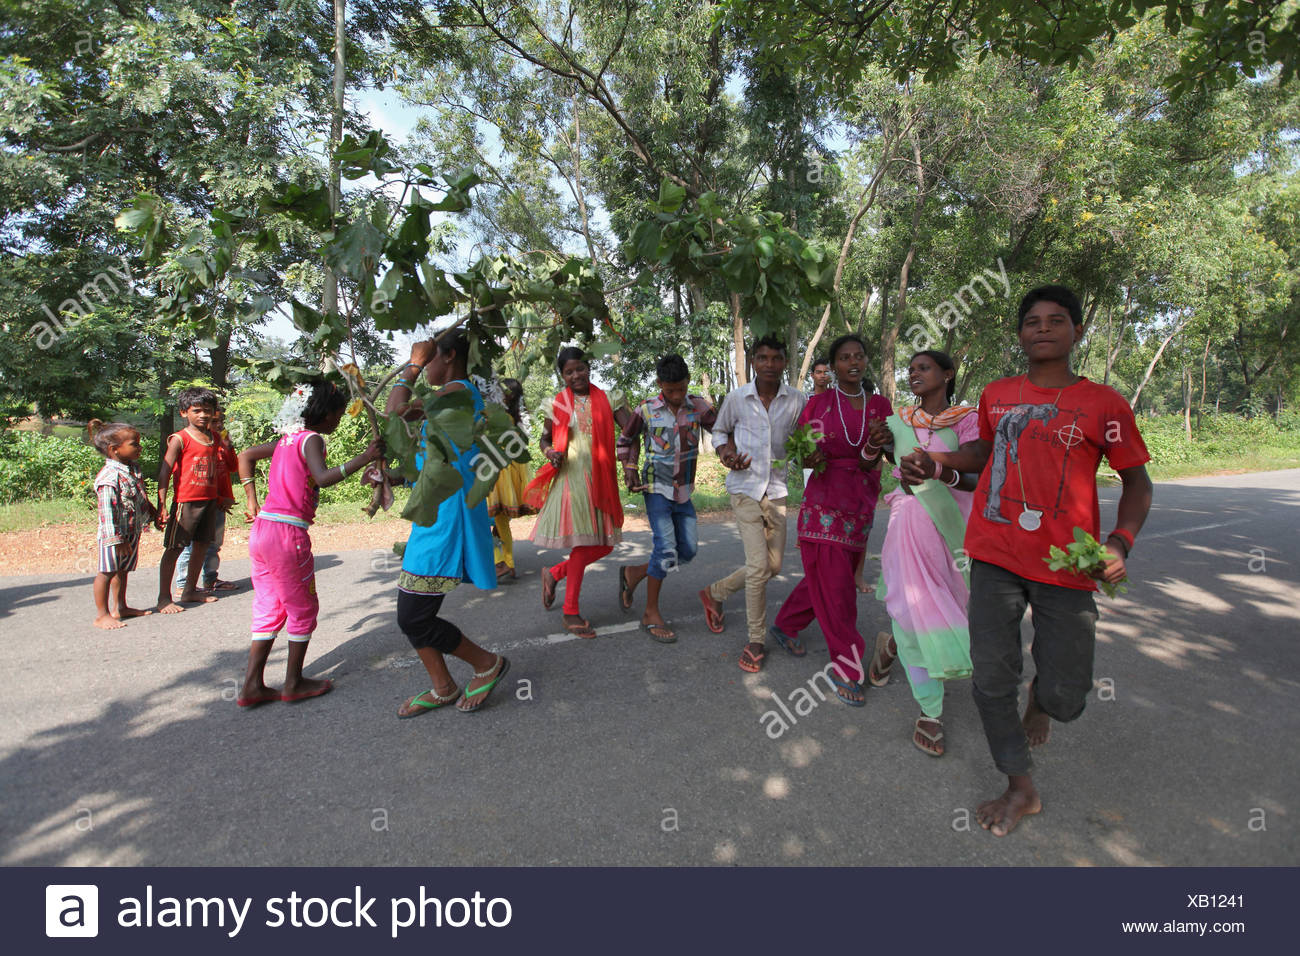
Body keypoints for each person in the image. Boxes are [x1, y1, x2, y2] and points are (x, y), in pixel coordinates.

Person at [899, 285, 1152, 836]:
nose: (1042, 328)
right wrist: (937, 461)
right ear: (1019, 334)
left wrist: (1119, 544)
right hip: (994, 555)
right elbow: (982, 457)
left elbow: (1137, 482)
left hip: (1068, 565)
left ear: (1077, 331)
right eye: (1031, 321)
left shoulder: (1104, 404)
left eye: (1056, 320)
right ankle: (1020, 787)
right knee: (991, 681)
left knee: (1067, 695)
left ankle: (1041, 699)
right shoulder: (998, 395)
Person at [235, 380, 384, 707]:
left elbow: (246, 456)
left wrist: (251, 498)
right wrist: (365, 457)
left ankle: (251, 685)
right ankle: (293, 681)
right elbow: (323, 478)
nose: (339, 420)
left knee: (269, 607)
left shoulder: (287, 440)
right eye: (338, 414)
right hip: (288, 536)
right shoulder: (312, 439)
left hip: (262, 532)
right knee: (303, 608)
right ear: (323, 412)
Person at [387, 332, 513, 716]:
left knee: (413, 615)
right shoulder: (450, 398)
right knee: (413, 615)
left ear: (450, 356)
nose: (426, 370)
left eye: (430, 361)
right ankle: (443, 686)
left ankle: (486, 663)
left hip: (447, 516)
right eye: (423, 364)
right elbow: (438, 455)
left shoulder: (455, 393)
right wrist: (394, 476)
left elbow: (395, 410)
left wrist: (411, 364)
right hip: (436, 510)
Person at [867, 350, 979, 756]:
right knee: (916, 608)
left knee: (954, 605)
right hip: (909, 524)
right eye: (911, 369)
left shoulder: (968, 419)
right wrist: (873, 444)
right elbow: (871, 462)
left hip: (954, 531)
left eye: (924, 368)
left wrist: (940, 472)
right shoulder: (898, 422)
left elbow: (974, 474)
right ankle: (930, 712)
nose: (914, 374)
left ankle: (892, 646)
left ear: (947, 374)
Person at [770, 334, 892, 700]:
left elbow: (884, 455)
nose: (852, 363)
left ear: (866, 361)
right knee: (838, 588)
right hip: (823, 501)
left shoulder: (881, 405)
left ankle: (786, 623)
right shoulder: (818, 405)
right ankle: (847, 666)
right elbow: (803, 453)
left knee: (826, 578)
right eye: (843, 358)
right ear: (834, 365)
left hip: (861, 500)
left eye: (858, 356)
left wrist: (876, 446)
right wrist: (810, 458)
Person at [697, 334, 807, 672]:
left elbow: (805, 439)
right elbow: (718, 432)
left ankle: (715, 592)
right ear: (753, 362)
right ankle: (756, 640)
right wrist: (726, 453)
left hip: (776, 491)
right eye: (763, 358)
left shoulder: (797, 400)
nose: (770, 365)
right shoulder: (737, 398)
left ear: (785, 362)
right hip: (744, 488)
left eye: (776, 358)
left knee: (774, 567)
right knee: (759, 568)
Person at [615, 353, 718, 643]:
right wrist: (630, 468)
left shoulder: (699, 407)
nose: (676, 396)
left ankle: (635, 573)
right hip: (655, 488)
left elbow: (722, 429)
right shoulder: (646, 410)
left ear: (688, 382)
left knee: (688, 550)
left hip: (684, 490)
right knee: (665, 548)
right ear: (660, 384)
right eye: (670, 390)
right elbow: (626, 439)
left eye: (681, 389)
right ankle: (650, 612)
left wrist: (730, 451)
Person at [155, 387, 221, 613]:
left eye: (208, 411)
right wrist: (162, 504)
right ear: (184, 413)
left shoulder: (215, 437)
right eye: (197, 410)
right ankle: (164, 597)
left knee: (202, 545)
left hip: (209, 500)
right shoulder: (179, 439)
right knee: (175, 548)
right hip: (186, 502)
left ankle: (191, 590)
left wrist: (220, 496)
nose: (203, 415)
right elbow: (165, 471)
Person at [89, 421, 158, 629]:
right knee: (107, 571)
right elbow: (106, 513)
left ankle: (121, 606)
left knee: (122, 571)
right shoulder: (109, 478)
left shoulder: (132, 469)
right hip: (114, 536)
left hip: (131, 530)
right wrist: (115, 540)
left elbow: (139, 497)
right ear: (114, 449)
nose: (139, 447)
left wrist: (152, 512)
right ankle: (102, 614)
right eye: (134, 444)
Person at [172, 405, 239, 595]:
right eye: (213, 422)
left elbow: (233, 466)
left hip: (219, 504)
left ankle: (210, 579)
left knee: (213, 544)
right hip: (199, 502)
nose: (217, 425)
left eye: (219, 422)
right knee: (189, 545)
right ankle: (184, 584)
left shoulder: (219, 444)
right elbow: (186, 478)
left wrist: (228, 444)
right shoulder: (193, 445)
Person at [486, 377, 535, 583]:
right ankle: (506, 563)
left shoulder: (500, 416)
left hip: (498, 473)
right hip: (505, 471)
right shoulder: (512, 416)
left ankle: (504, 563)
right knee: (499, 521)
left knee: (493, 520)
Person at [803, 356, 832, 487]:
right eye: (819, 372)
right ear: (812, 375)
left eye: (826, 372)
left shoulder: (836, 398)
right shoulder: (804, 399)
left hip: (833, 454)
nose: (822, 376)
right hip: (811, 454)